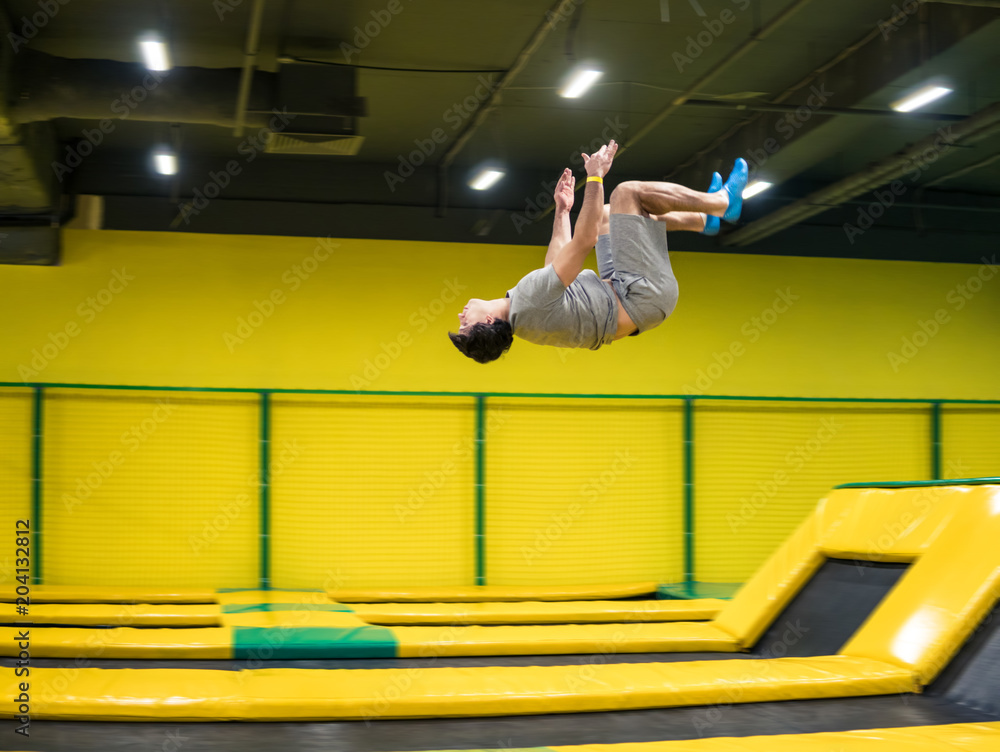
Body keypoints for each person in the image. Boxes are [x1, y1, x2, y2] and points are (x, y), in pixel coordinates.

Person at [450, 140, 748, 363]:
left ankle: (702, 220)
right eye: (465, 324)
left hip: (626, 295)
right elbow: (584, 241)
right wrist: (595, 177)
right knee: (627, 194)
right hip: (641, 295)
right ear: (488, 321)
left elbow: (556, 266)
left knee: (607, 216)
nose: (461, 315)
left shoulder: (524, 318)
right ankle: (722, 203)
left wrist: (562, 211)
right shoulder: (527, 303)